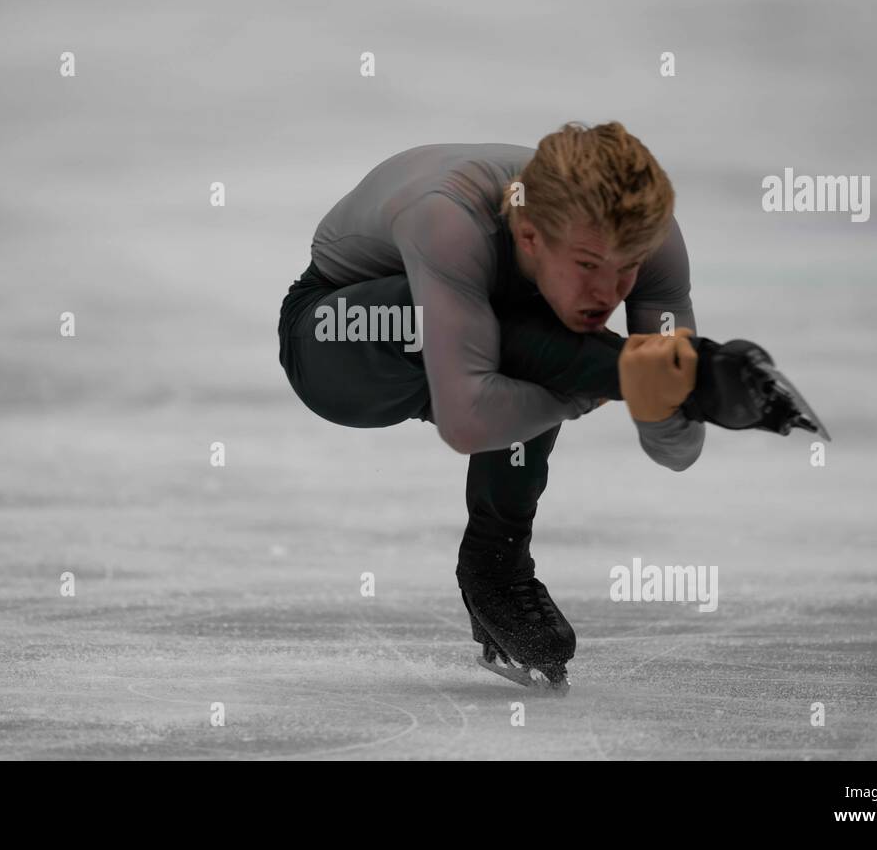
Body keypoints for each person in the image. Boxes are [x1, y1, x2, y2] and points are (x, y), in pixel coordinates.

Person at [277, 120, 818, 689]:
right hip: (336, 337)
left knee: (554, 334)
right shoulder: (450, 221)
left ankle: (493, 567)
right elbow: (466, 421)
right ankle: (498, 563)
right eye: (587, 265)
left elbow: (674, 450)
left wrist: (671, 390)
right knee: (539, 332)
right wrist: (631, 377)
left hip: (483, 330)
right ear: (530, 235)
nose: (607, 293)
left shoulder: (650, 238)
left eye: (625, 270)